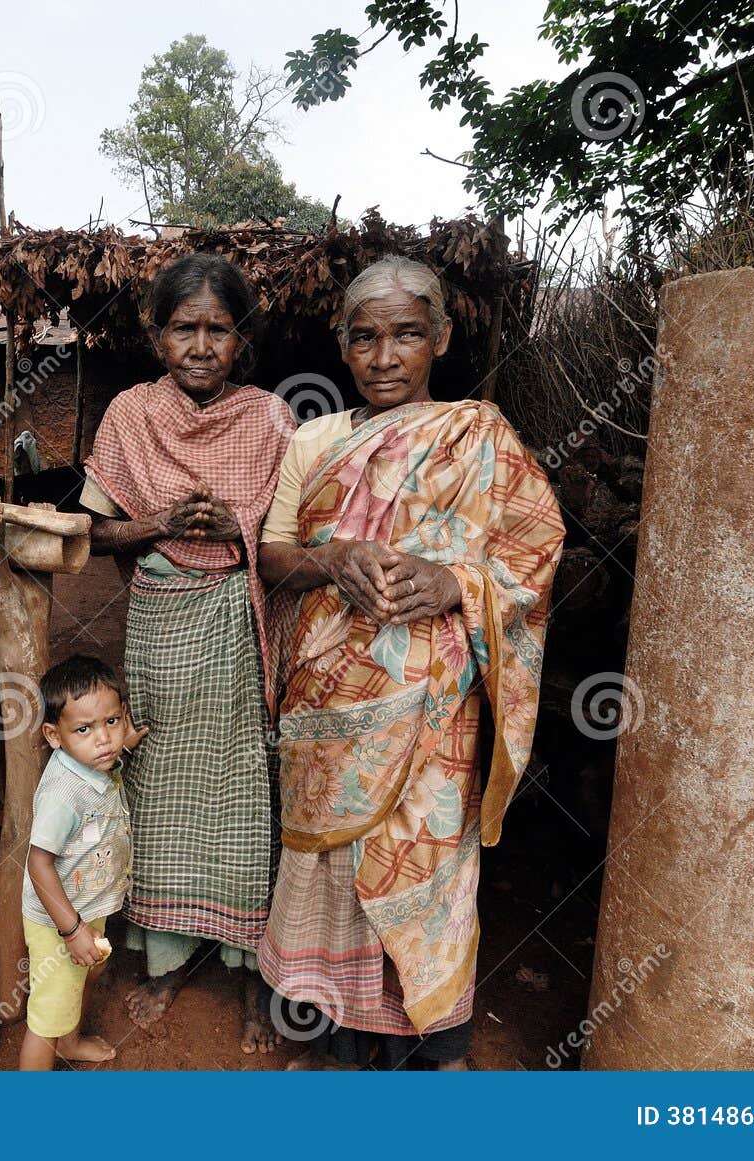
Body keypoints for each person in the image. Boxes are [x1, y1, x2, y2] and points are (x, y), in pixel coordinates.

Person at [257, 256, 565, 1069]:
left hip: (435, 703)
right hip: (327, 697)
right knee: (329, 862)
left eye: (405, 335)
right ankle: (333, 1029)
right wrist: (335, 560)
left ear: (441, 337)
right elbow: (272, 556)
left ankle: (436, 1041)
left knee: (426, 856)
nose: (384, 357)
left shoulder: (481, 435)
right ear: (343, 345)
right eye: (365, 338)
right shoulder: (316, 438)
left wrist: (453, 581)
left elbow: (535, 551)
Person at [80, 252, 294, 1053]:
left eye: (218, 329)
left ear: (241, 337)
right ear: (157, 334)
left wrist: (234, 529)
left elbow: (290, 539)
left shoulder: (272, 419)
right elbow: (96, 533)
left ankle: (248, 973)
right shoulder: (132, 415)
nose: (201, 344)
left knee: (243, 783)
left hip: (238, 630)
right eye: (184, 328)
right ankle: (165, 960)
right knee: (159, 781)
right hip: (160, 628)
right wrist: (161, 522)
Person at [18, 654, 145, 1071]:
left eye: (111, 722)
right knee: (47, 1013)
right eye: (85, 729)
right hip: (60, 918)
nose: (103, 739)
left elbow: (107, 740)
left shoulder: (97, 760)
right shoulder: (63, 794)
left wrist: (125, 739)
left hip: (90, 904)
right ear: (54, 735)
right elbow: (38, 865)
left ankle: (68, 1043)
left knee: (82, 977)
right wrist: (71, 930)